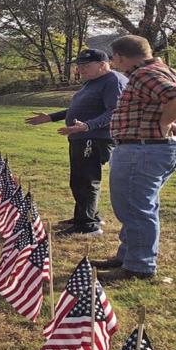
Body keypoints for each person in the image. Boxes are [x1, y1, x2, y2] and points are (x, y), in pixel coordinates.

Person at [97, 35, 176, 283]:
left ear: (119, 57)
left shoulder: (144, 74)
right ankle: (127, 256)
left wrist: (165, 122)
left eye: (114, 59)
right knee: (137, 205)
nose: (114, 64)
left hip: (142, 150)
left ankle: (139, 266)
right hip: (156, 149)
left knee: (136, 209)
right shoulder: (171, 71)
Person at [24, 49, 126, 237]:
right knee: (80, 179)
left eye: (86, 65)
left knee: (85, 181)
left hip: (94, 137)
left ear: (102, 65)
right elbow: (79, 108)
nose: (81, 69)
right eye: (79, 65)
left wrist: (87, 126)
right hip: (83, 136)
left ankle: (87, 226)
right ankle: (87, 215)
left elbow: (115, 112)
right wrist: (51, 117)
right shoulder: (92, 82)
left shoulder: (112, 81)